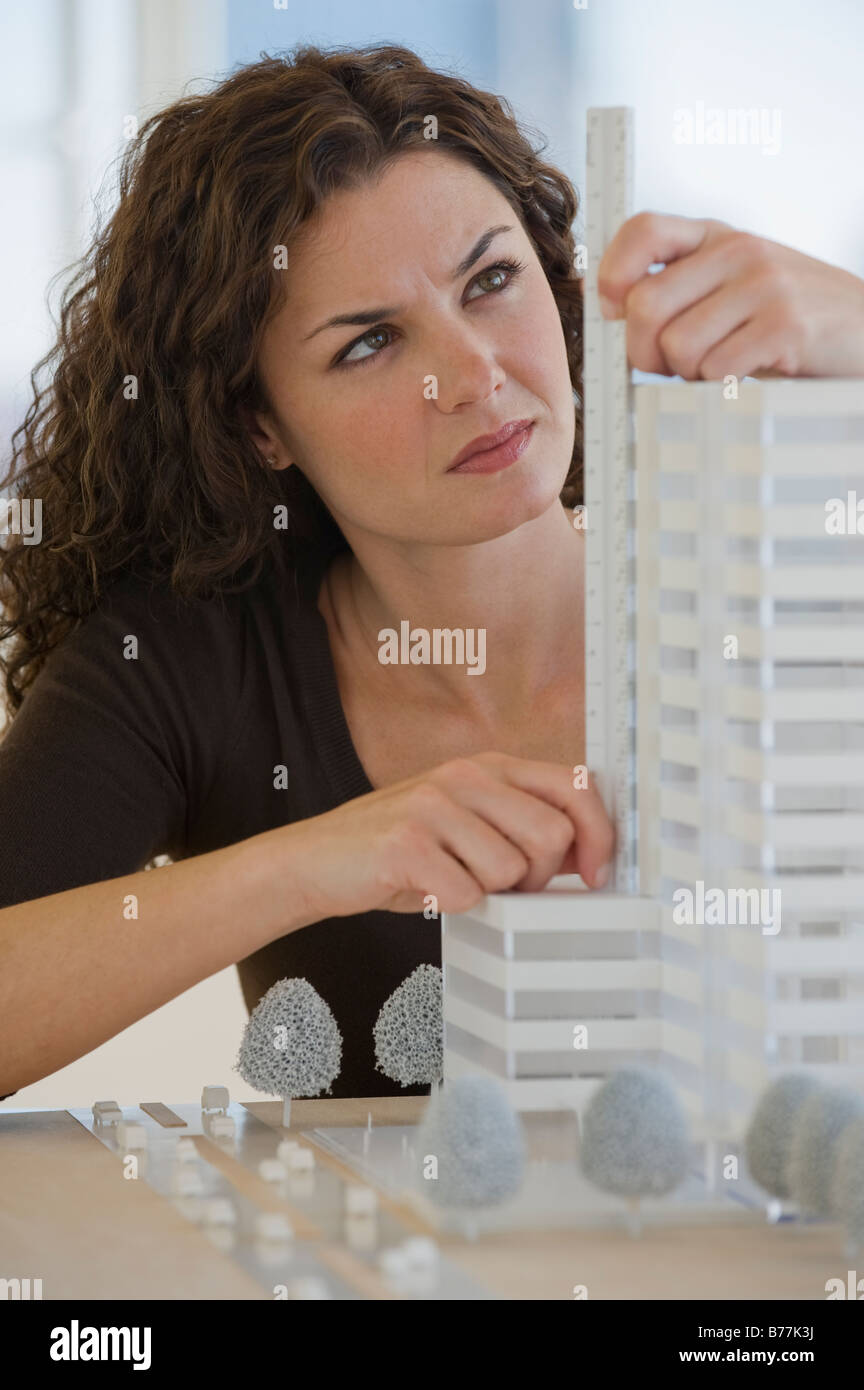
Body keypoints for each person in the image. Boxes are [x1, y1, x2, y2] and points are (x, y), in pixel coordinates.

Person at [1, 44, 862, 1102]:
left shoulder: (774, 557)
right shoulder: (192, 661)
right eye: (368, 344)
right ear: (259, 424)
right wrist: (313, 862)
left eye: (491, 281)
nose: (473, 374)